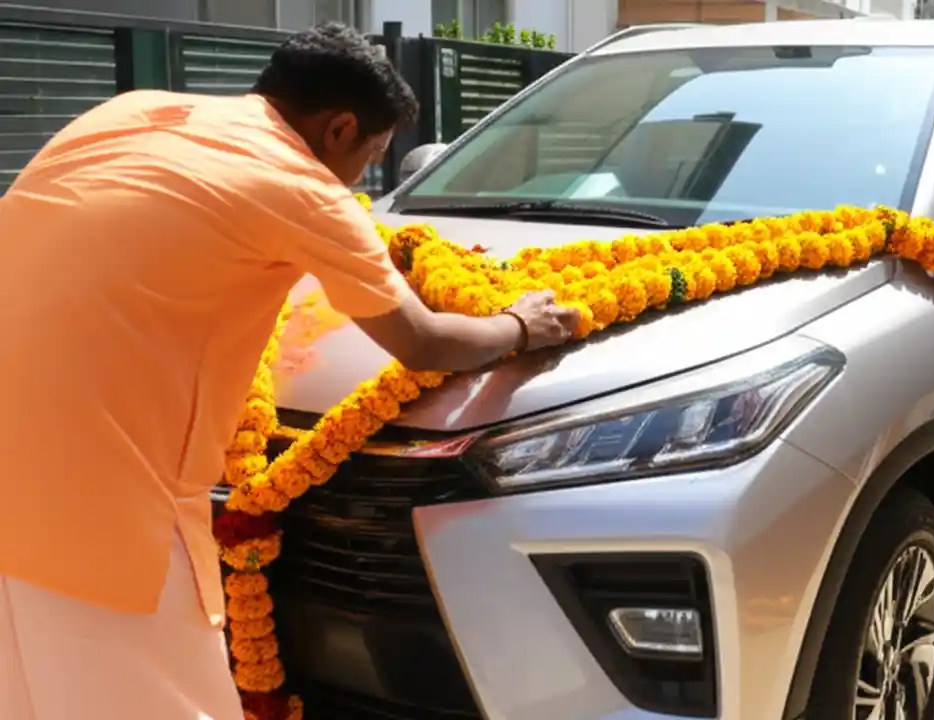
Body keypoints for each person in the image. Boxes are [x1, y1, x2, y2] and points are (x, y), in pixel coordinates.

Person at [0, 22, 579, 720]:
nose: (362, 178)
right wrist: (522, 324)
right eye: (369, 155)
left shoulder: (134, 112)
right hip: (102, 499)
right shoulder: (302, 188)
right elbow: (422, 342)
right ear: (338, 129)